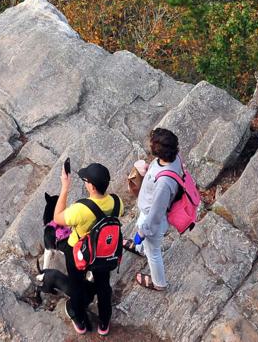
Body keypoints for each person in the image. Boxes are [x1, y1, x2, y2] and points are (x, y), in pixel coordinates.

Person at [52, 161, 119, 336]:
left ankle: (80, 321)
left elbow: (57, 218)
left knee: (76, 285)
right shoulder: (116, 202)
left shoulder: (81, 209)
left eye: (86, 181)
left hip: (78, 253)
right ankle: (104, 324)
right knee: (103, 286)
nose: (85, 183)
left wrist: (65, 187)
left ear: (92, 186)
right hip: (103, 252)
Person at [125, 127, 182, 291]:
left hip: (153, 219)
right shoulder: (175, 158)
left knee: (154, 253)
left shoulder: (164, 184)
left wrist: (142, 233)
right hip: (148, 210)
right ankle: (140, 248)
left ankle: (159, 283)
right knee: (148, 245)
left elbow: (156, 214)